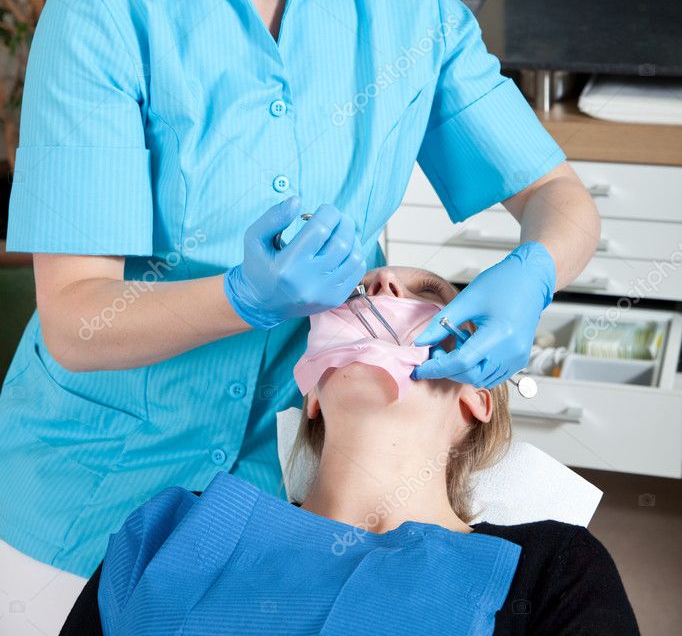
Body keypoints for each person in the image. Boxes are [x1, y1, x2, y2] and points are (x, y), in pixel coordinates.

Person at [0, 0, 600, 630]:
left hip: (277, 502)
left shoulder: (408, 8)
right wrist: (241, 297)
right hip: (84, 501)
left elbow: (557, 199)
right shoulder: (109, 9)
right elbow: (75, 320)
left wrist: (532, 272)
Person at [59, 266, 639, 635]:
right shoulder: (172, 529)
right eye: (358, 291)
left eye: (427, 294)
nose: (381, 287)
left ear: (477, 396)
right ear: (312, 390)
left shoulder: (551, 568)